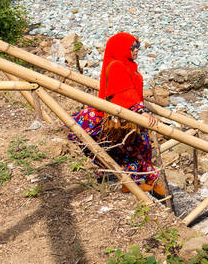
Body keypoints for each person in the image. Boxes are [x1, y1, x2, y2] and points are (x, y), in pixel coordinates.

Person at [69, 32, 166, 199]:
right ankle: (139, 183)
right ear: (122, 48)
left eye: (137, 47)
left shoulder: (126, 64)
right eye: (133, 47)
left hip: (125, 115)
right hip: (115, 117)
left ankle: (137, 182)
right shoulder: (117, 66)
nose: (136, 50)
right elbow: (123, 94)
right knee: (136, 145)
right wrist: (141, 112)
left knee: (138, 147)